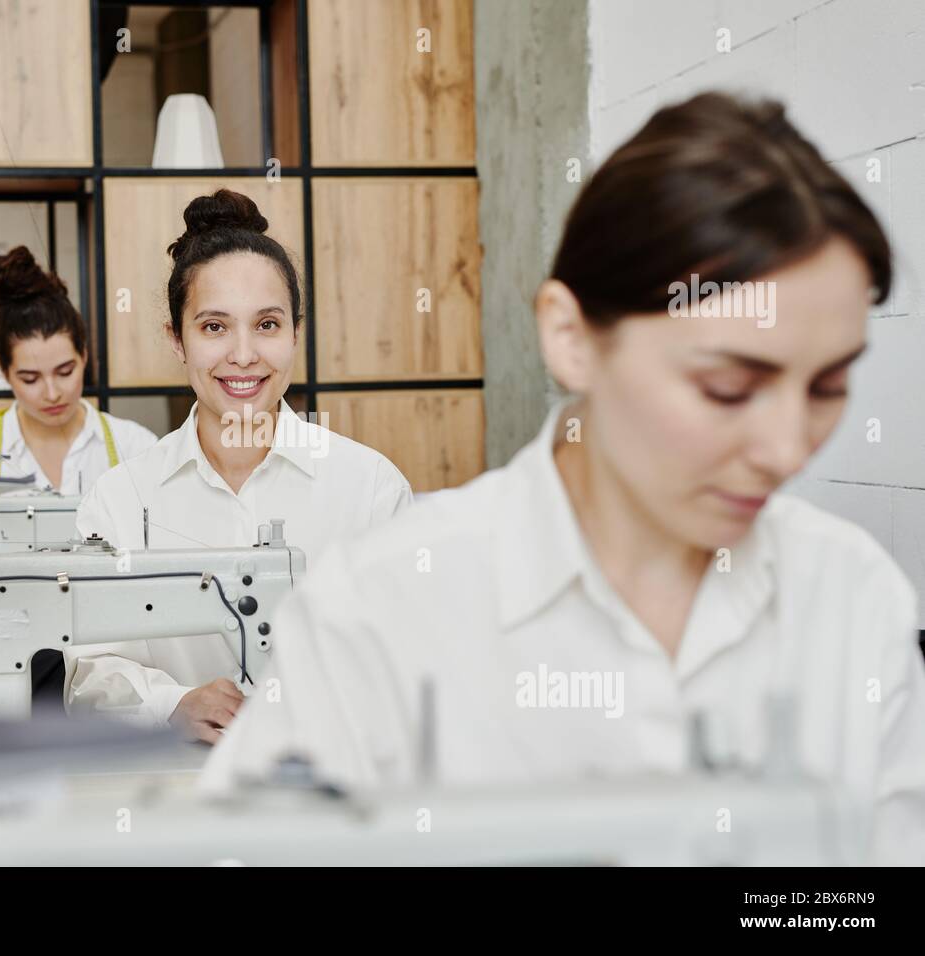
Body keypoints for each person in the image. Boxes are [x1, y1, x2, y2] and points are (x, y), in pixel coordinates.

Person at [200, 93, 925, 864]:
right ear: (572, 338)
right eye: (727, 388)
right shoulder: (376, 617)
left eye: (826, 388)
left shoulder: (854, 599)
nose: (785, 449)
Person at [66, 188, 413, 742]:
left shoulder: (370, 488)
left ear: (297, 332)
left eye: (268, 325)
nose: (244, 355)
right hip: (173, 797)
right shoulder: (120, 499)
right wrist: (170, 704)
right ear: (176, 340)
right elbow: (85, 669)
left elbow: (410, 654)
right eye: (214, 327)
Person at [0, 246, 157, 495]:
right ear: (4, 370)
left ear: (83, 355)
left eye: (65, 372)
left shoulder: (135, 448)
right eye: (30, 379)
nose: (52, 394)